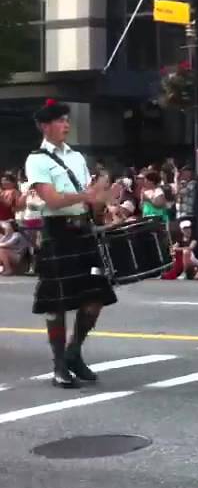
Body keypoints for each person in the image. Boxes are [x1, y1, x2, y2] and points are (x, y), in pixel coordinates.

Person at [25, 99, 114, 388]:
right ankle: (59, 365)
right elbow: (51, 199)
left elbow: (91, 199)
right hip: (58, 234)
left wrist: (104, 197)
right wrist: (86, 196)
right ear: (44, 126)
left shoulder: (76, 157)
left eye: (66, 120)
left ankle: (74, 352)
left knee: (96, 297)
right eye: (60, 121)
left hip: (83, 232)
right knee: (57, 303)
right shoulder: (37, 159)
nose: (66, 125)